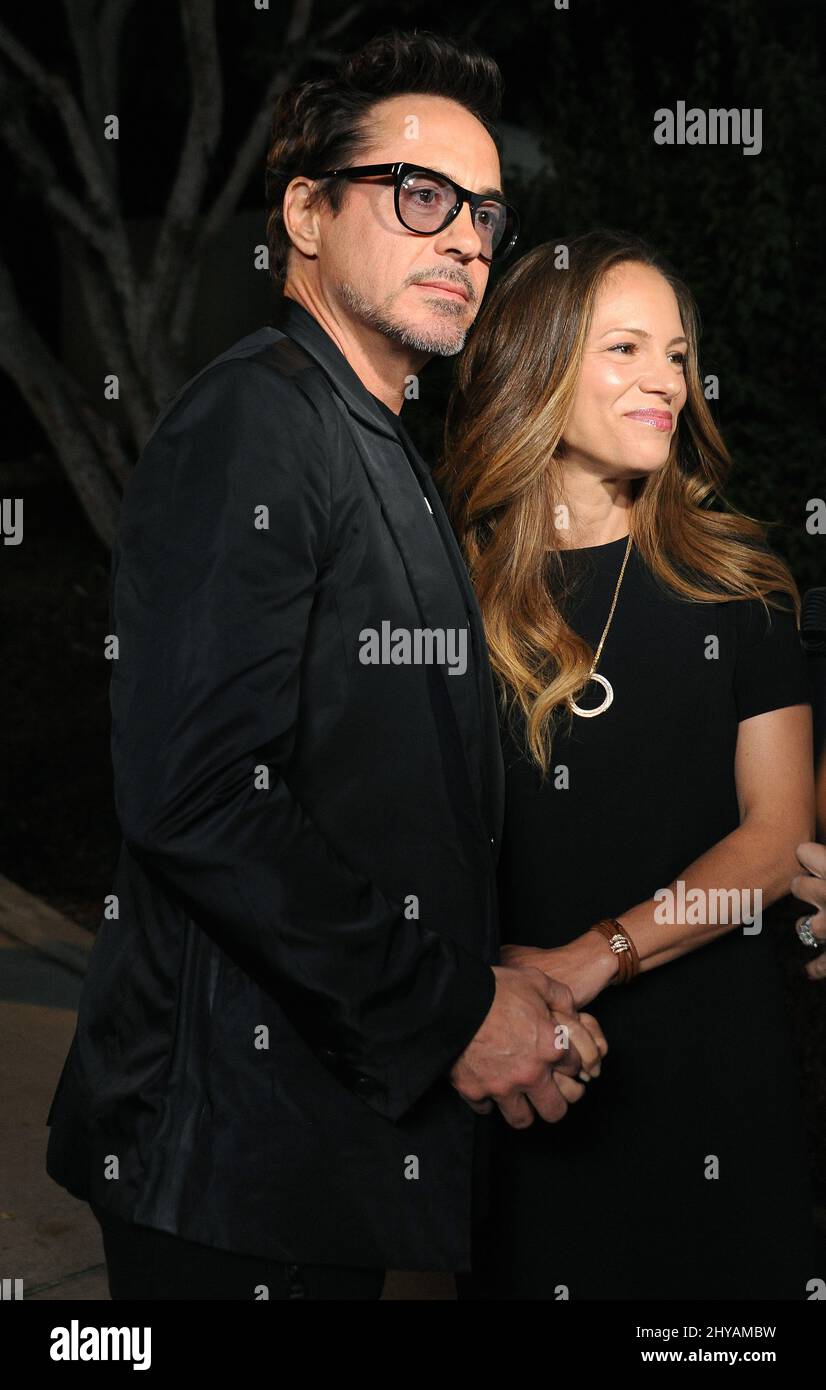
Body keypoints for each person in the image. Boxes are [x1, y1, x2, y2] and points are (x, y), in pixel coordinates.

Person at [44, 30, 606, 1302]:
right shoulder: (255, 425)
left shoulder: (380, 443)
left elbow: (369, 786)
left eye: (487, 214)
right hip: (225, 1163)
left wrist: (479, 973)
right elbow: (197, 792)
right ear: (306, 211)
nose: (466, 238)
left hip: (313, 1138)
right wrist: (448, 1009)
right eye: (422, 196)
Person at [438, 229, 817, 1300]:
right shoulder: (442, 598)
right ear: (539, 366)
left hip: (712, 1071)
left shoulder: (739, 588)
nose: (666, 378)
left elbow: (779, 832)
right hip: (521, 1073)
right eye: (625, 348)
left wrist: (590, 957)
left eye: (677, 352)